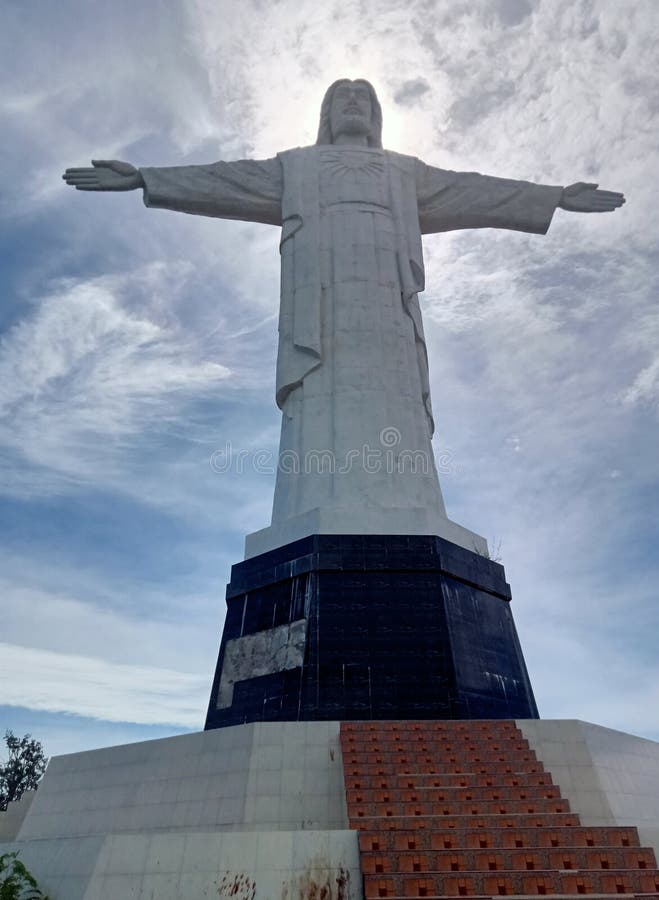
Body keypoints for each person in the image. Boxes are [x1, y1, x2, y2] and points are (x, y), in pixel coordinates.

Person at [63, 79, 624, 555]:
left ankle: (406, 504)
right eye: (342, 97)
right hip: (321, 316)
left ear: (377, 115)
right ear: (326, 114)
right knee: (322, 411)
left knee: (396, 409)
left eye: (364, 97)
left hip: (388, 313)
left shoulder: (406, 173)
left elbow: (474, 190)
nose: (353, 104)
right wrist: (146, 178)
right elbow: (226, 179)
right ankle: (317, 503)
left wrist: (550, 196)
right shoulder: (298, 167)